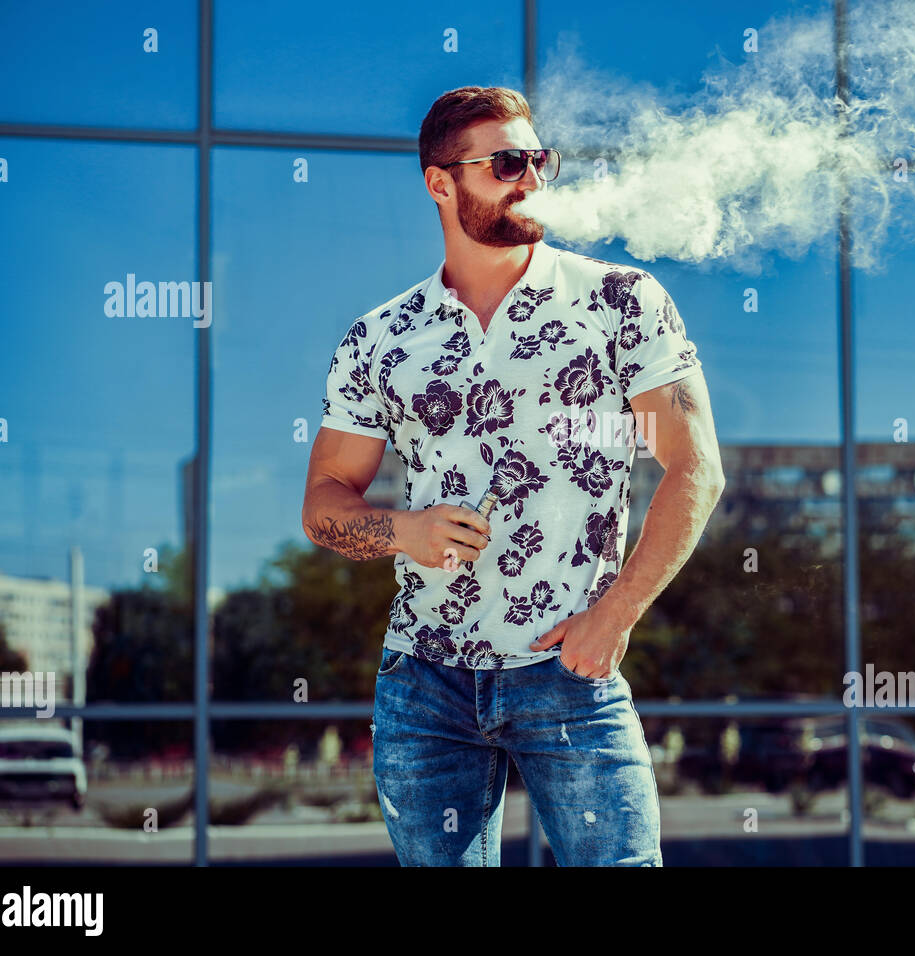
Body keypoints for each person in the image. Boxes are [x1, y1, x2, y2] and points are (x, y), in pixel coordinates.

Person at [302, 86, 725, 866]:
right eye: (505, 164)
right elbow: (324, 505)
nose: (530, 178)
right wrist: (404, 531)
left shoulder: (620, 301)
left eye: (539, 160)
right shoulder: (380, 338)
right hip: (424, 681)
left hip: (569, 668)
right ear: (441, 183)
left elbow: (696, 469)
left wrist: (617, 614)